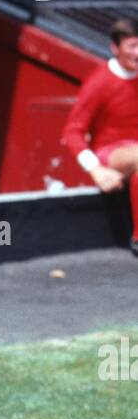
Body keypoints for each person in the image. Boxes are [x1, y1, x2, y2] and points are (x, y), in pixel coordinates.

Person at [60, 17, 138, 255]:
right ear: (115, 48)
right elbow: (71, 133)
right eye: (133, 46)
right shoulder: (100, 82)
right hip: (109, 153)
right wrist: (95, 170)